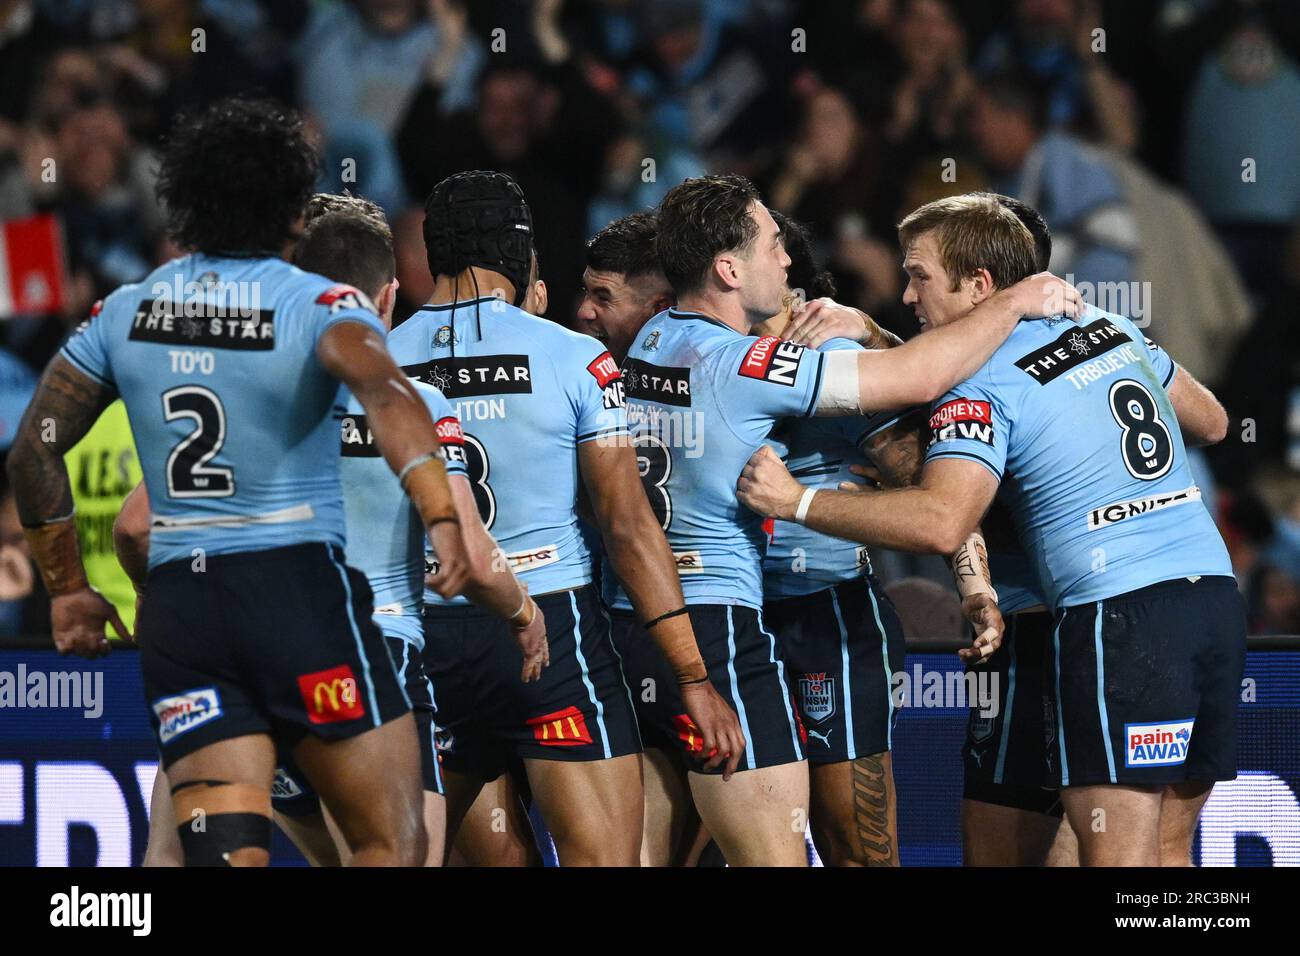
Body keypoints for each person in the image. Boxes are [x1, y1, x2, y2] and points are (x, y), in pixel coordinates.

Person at [6, 98, 474, 867]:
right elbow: (390, 399)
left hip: (186, 615)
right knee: (390, 841)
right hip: (297, 596)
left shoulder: (124, 312)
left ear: (183, 202)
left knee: (224, 852)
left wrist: (67, 590)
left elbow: (33, 452)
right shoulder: (319, 304)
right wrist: (443, 516)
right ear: (293, 211)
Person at [737, 192, 1241, 867]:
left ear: (979, 286)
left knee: (1116, 859)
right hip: (1211, 599)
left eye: (919, 277)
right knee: (1169, 853)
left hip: (1117, 620)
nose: (909, 297)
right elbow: (1211, 422)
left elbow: (944, 520)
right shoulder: (1109, 325)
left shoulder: (980, 384)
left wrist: (796, 500)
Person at [613, 174, 1079, 865]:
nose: (789, 268)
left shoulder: (664, 338)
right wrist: (1010, 303)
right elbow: (918, 379)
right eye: (775, 251)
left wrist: (973, 585)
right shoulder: (749, 358)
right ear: (730, 271)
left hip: (808, 615)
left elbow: (924, 479)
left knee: (851, 846)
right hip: (726, 621)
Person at [125, 196, 549, 867]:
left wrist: (157, 600)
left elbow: (135, 526)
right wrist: (524, 612)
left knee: (173, 855)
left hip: (241, 650)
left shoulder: (244, 400)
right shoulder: (416, 405)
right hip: (370, 665)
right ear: (386, 299)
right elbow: (473, 552)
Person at [389, 169, 744, 866]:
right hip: (552, 634)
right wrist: (693, 679)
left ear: (432, 257)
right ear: (522, 257)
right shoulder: (576, 359)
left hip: (426, 633)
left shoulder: (377, 364)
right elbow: (627, 526)